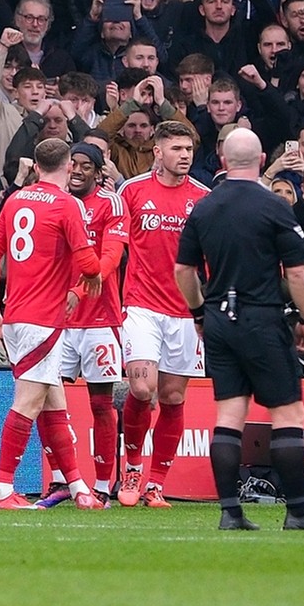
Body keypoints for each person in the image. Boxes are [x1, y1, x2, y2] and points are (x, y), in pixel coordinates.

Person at [174, 127, 304, 532]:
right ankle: (299, 511)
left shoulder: (203, 207)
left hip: (218, 320)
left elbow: (183, 270)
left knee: (230, 412)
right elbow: (299, 272)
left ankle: (230, 512)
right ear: (263, 161)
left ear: (224, 162)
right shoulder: (274, 207)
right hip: (262, 317)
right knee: (288, 411)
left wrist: (199, 313)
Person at [0, 138, 103, 511]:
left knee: (54, 403)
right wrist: (90, 279)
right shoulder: (68, 205)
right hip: (43, 319)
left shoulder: (15, 200)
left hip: (17, 313)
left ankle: (79, 488)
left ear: (35, 166)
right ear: (68, 167)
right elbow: (88, 262)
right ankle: (2, 489)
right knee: (28, 402)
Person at [118, 120, 211, 508]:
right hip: (140, 305)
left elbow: (211, 258)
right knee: (142, 388)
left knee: (172, 398)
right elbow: (114, 245)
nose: (184, 156)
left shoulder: (204, 198)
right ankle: (133, 467)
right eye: (176, 149)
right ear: (157, 152)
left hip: (185, 312)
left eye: (188, 149)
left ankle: (156, 483)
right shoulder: (133, 191)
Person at [37, 143, 127, 509]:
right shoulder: (55, 202)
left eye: (84, 165)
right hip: (55, 318)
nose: (75, 170)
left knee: (101, 403)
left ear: (98, 172)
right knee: (43, 397)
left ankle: (105, 484)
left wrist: (83, 285)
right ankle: (60, 479)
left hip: (100, 320)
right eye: (71, 164)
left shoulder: (110, 204)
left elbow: (112, 255)